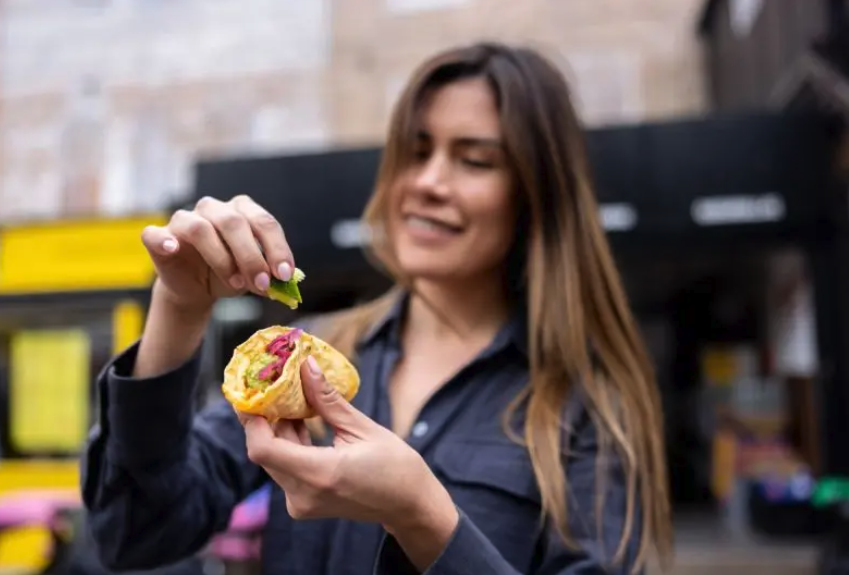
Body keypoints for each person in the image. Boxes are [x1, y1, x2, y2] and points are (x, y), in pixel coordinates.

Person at [80, 42, 673, 574]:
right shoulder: (309, 354)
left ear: (536, 195)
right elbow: (135, 534)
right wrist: (179, 309)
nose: (428, 182)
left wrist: (423, 520)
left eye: (475, 160)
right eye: (416, 152)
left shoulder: (589, 404)